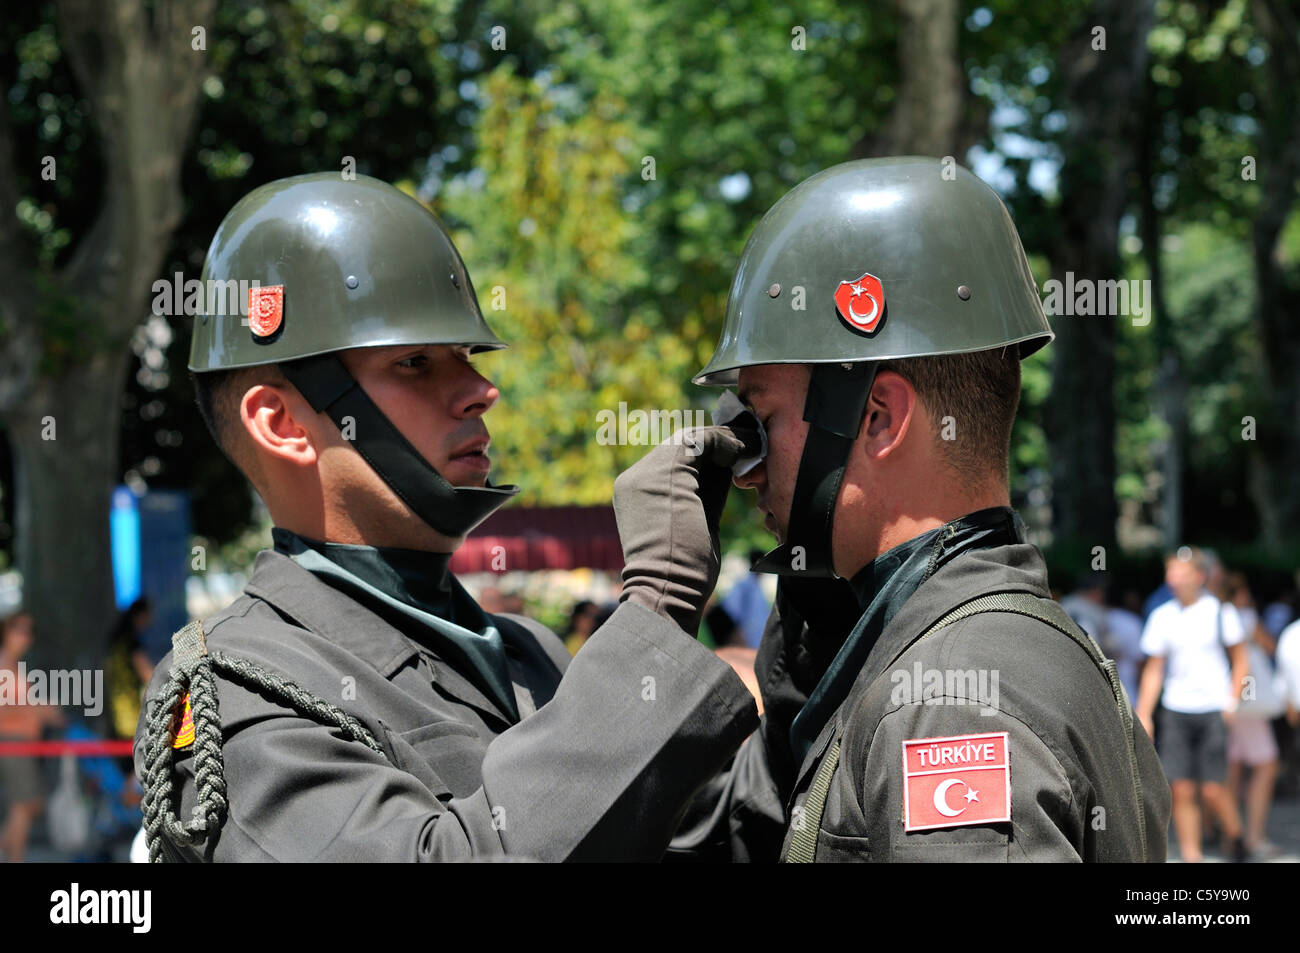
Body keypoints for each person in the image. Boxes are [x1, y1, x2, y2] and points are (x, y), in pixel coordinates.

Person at [134, 173, 758, 862]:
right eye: (415, 362)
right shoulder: (232, 686)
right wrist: (660, 606)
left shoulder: (524, 649)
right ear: (280, 421)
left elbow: (713, 833)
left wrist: (820, 565)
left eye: (467, 356)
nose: (480, 391)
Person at [664, 156, 1169, 862]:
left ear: (877, 418)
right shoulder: (1001, 645)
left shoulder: (951, 703)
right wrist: (814, 595)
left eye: (761, 415)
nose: (745, 470)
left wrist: (652, 609)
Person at [1135, 547, 1248, 862]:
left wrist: (1232, 701)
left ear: (1198, 577)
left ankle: (1235, 834)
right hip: (1176, 709)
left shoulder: (1220, 612)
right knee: (1181, 788)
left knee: (1213, 788)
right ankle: (1191, 854)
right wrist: (1144, 712)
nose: (1173, 580)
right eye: (1170, 574)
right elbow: (1154, 669)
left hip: (1213, 709)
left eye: (1180, 574)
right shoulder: (1162, 616)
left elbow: (1241, 660)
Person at [1222, 572, 1282, 858]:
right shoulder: (1242, 617)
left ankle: (1229, 836)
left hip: (1226, 702)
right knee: (1266, 765)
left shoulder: (1214, 614)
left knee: (1231, 770)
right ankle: (1253, 836)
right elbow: (1271, 646)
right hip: (1247, 703)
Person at [0, 610, 64, 862]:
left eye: (30, 631)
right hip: (11, 743)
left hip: (23, 744)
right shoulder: (4, 664)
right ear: (6, 631)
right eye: (20, 630)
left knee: (31, 804)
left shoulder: (14, 666)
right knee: (25, 805)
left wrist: (42, 710)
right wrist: (39, 709)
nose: (26, 637)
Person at [106, 597, 155, 744]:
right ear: (140, 616)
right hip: (130, 717)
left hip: (114, 713)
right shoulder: (131, 643)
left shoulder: (116, 642)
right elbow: (150, 676)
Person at [721, 550, 773, 649]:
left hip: (757, 644)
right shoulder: (744, 586)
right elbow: (731, 613)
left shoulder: (758, 587)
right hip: (745, 644)